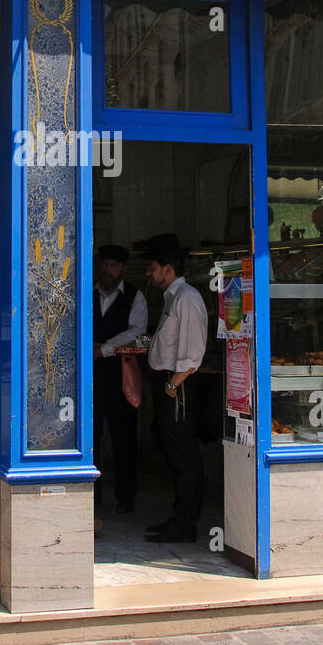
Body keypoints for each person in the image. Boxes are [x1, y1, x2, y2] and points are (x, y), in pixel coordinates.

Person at [143, 233, 208, 544]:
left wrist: (172, 385)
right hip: (167, 382)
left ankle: (186, 523)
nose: (149, 273)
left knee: (184, 455)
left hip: (177, 385)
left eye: (153, 267)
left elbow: (193, 354)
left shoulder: (188, 298)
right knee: (172, 453)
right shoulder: (172, 298)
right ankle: (179, 517)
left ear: (168, 269)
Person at [93, 243, 148, 515]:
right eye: (104, 264)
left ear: (123, 270)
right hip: (89, 380)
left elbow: (139, 333)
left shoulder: (135, 297)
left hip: (120, 377)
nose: (107, 270)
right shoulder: (85, 292)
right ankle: (91, 499)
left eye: (113, 266)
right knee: (89, 440)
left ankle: (126, 498)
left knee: (123, 439)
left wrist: (102, 349)